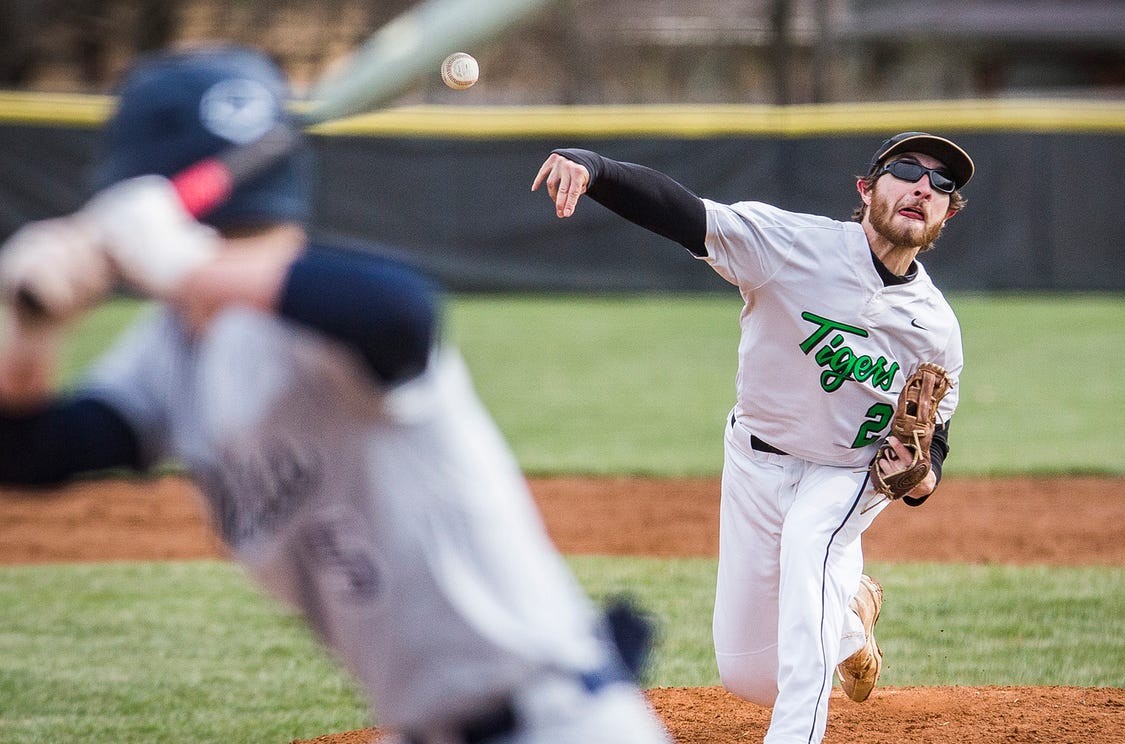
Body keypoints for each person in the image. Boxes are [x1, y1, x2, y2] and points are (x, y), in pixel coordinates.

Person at [0, 46, 672, 744]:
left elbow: (401, 313)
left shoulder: (331, 319)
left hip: (556, 723)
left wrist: (186, 262)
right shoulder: (170, 353)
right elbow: (28, 451)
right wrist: (28, 333)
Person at [532, 132, 971, 744]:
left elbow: (934, 439)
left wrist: (920, 477)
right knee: (749, 674)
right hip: (754, 458)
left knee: (810, 545)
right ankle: (850, 619)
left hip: (849, 474)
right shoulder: (791, 246)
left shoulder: (936, 327)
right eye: (906, 171)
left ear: (948, 213)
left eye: (943, 185)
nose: (924, 187)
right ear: (867, 189)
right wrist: (596, 168)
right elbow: (686, 214)